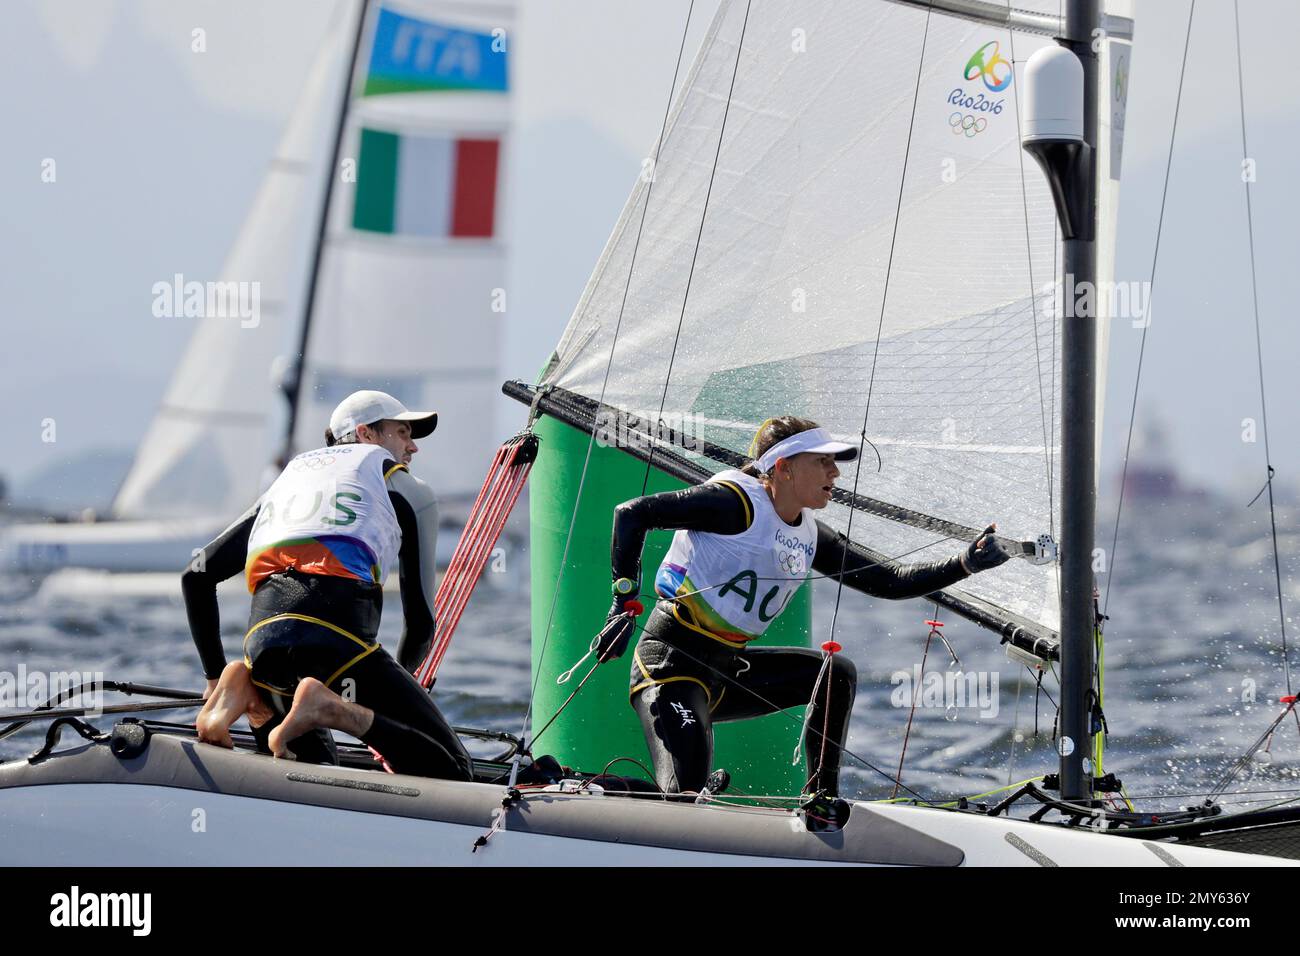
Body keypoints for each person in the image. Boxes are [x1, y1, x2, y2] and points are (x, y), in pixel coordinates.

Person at [600, 416, 1014, 805]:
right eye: (823, 462)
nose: (834, 473)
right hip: (672, 664)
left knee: (833, 674)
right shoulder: (734, 503)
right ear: (783, 468)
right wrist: (622, 603)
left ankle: (820, 801)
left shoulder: (809, 534)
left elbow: (889, 580)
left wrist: (965, 564)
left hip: (728, 670)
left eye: (834, 463)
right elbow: (632, 514)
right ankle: (576, 783)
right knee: (684, 799)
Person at [185, 389, 473, 781]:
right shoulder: (408, 489)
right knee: (454, 770)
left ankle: (249, 696)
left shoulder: (289, 481)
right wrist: (386, 706)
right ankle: (331, 707)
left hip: (262, 644)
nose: (413, 447)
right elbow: (420, 622)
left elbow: (197, 575)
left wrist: (213, 673)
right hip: (339, 641)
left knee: (316, 767)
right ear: (367, 435)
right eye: (403, 433)